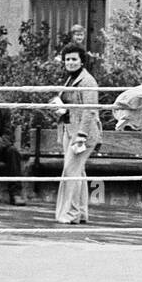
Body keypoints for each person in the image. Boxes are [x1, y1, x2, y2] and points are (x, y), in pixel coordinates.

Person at [52, 43, 102, 224]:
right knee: (77, 172)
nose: (70, 62)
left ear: (81, 61)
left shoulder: (88, 81)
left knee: (70, 171)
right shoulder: (71, 79)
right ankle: (80, 213)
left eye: (74, 59)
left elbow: (90, 110)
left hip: (83, 133)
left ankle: (70, 214)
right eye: (67, 59)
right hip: (69, 129)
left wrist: (81, 135)